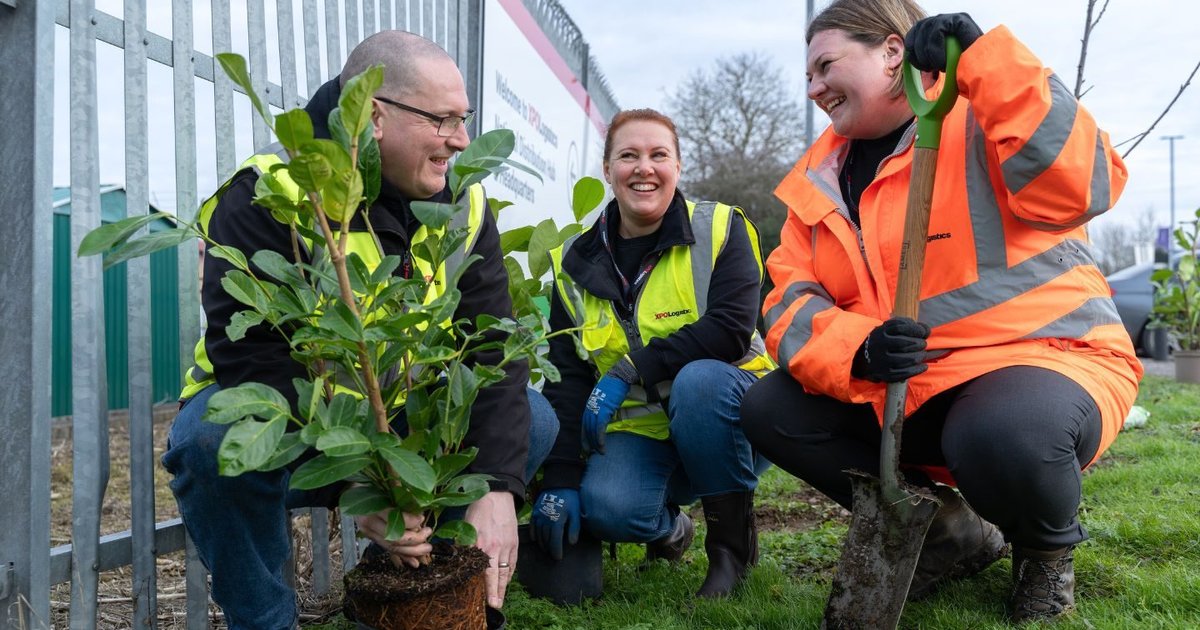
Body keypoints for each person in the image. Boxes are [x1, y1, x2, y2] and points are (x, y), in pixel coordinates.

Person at [739, 0, 1142, 623]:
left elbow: (1083, 184)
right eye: (809, 76)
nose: (814, 87)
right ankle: (950, 533)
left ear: (892, 53)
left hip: (1045, 358)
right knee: (769, 407)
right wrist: (860, 348)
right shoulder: (815, 184)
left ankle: (1043, 553)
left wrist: (990, 61)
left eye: (825, 65)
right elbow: (788, 305)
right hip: (913, 382)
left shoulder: (982, 116)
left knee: (1001, 438)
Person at [161, 30, 557, 628]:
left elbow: (494, 348)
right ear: (373, 115)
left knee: (534, 418)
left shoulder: (463, 207)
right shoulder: (271, 194)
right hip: (297, 429)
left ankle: (407, 582)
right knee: (209, 443)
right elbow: (256, 362)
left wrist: (498, 488)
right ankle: (265, 619)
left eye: (465, 118)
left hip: (397, 418)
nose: (461, 140)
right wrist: (356, 486)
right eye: (443, 120)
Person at [529, 108, 775, 599]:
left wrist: (631, 368)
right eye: (628, 155)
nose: (644, 168)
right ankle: (669, 529)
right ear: (607, 169)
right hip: (642, 431)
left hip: (734, 416)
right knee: (608, 509)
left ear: (678, 167)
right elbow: (568, 374)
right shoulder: (572, 264)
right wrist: (559, 477)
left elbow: (728, 330)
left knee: (699, 381)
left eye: (658, 155)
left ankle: (731, 551)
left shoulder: (720, 230)